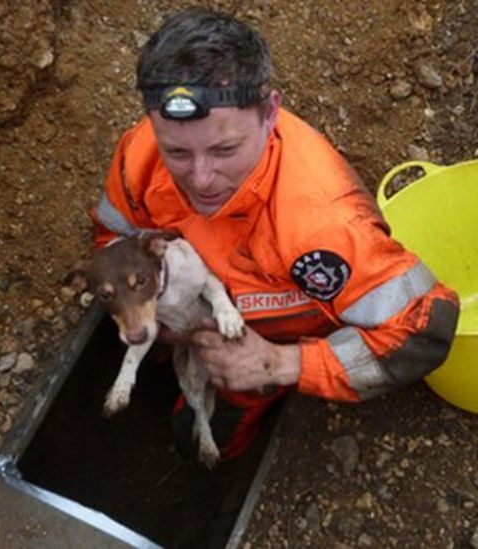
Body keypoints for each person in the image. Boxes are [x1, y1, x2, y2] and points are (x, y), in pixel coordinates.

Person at [90, 9, 459, 461]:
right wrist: (161, 326)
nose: (201, 178)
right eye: (178, 152)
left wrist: (279, 363)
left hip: (259, 344)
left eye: (225, 149)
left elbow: (426, 328)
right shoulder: (140, 153)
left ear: (270, 114)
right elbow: (110, 235)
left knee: (197, 442)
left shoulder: (323, 224)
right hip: (172, 314)